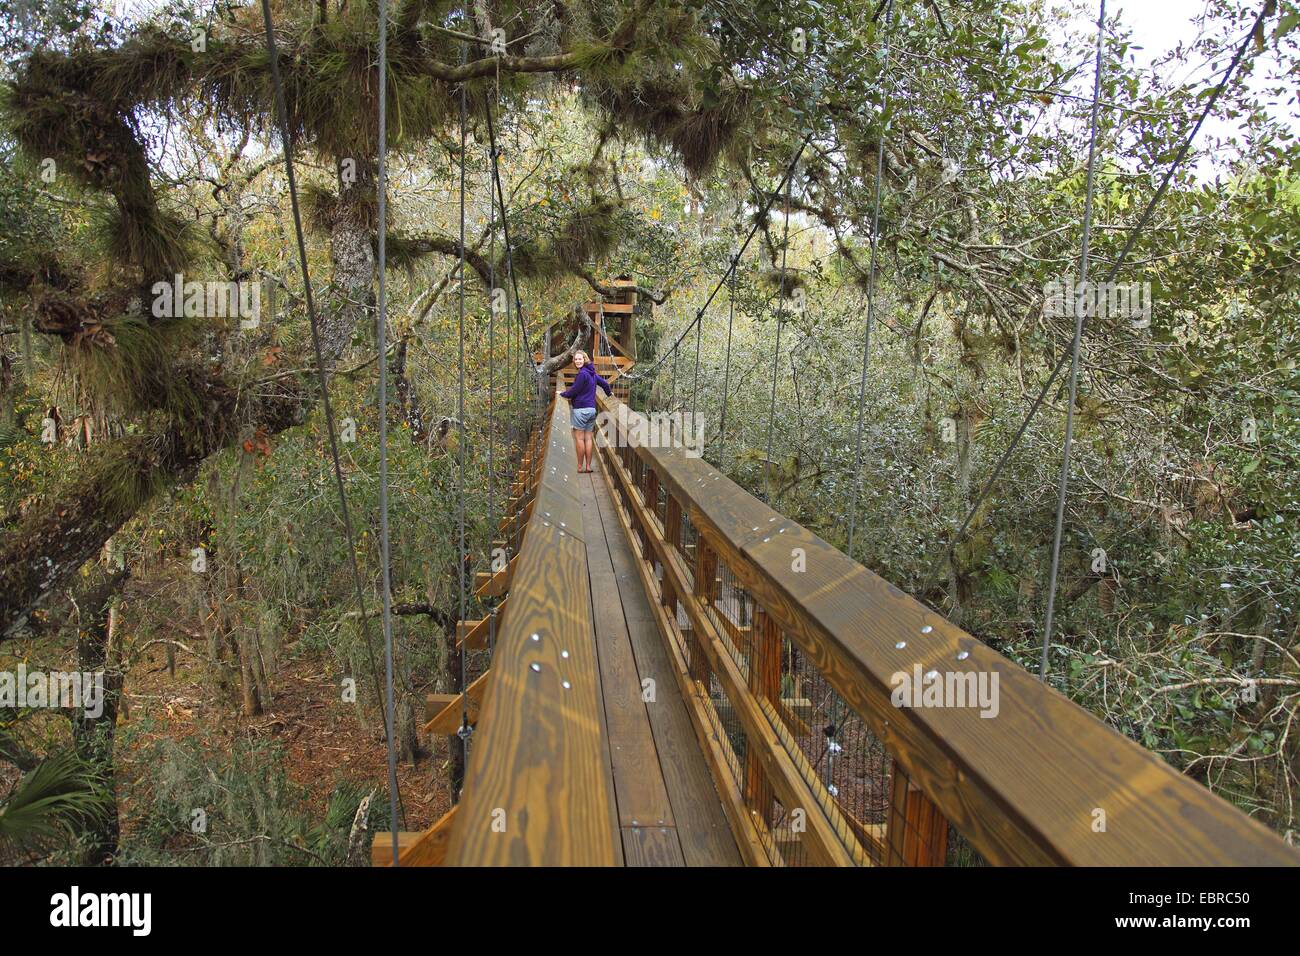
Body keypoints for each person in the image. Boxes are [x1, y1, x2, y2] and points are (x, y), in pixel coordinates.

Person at [560, 350, 612, 474]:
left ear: (585, 359)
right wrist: (609, 393)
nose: (577, 361)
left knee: (579, 439)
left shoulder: (582, 374)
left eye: (580, 359)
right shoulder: (592, 372)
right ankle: (588, 466)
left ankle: (579, 466)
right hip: (591, 410)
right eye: (576, 359)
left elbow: (574, 391)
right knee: (588, 439)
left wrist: (562, 394)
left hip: (580, 410)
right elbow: (605, 384)